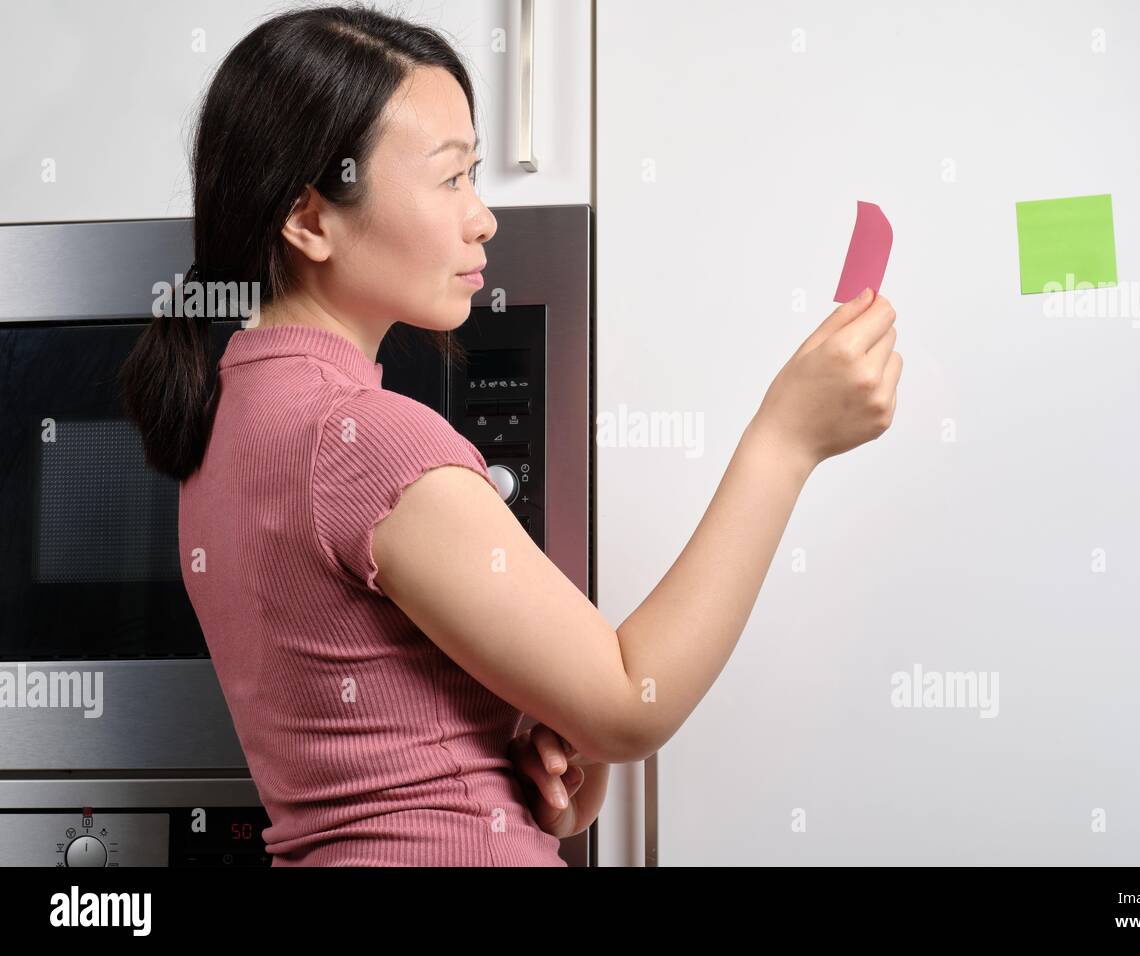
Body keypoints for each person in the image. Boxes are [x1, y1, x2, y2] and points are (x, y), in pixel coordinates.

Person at [119, 4, 902, 867]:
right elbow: (629, 702)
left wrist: (523, 757)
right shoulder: (367, 441)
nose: (483, 217)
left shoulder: (227, 427)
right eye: (450, 178)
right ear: (309, 220)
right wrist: (783, 443)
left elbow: (387, 730)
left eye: (476, 176)